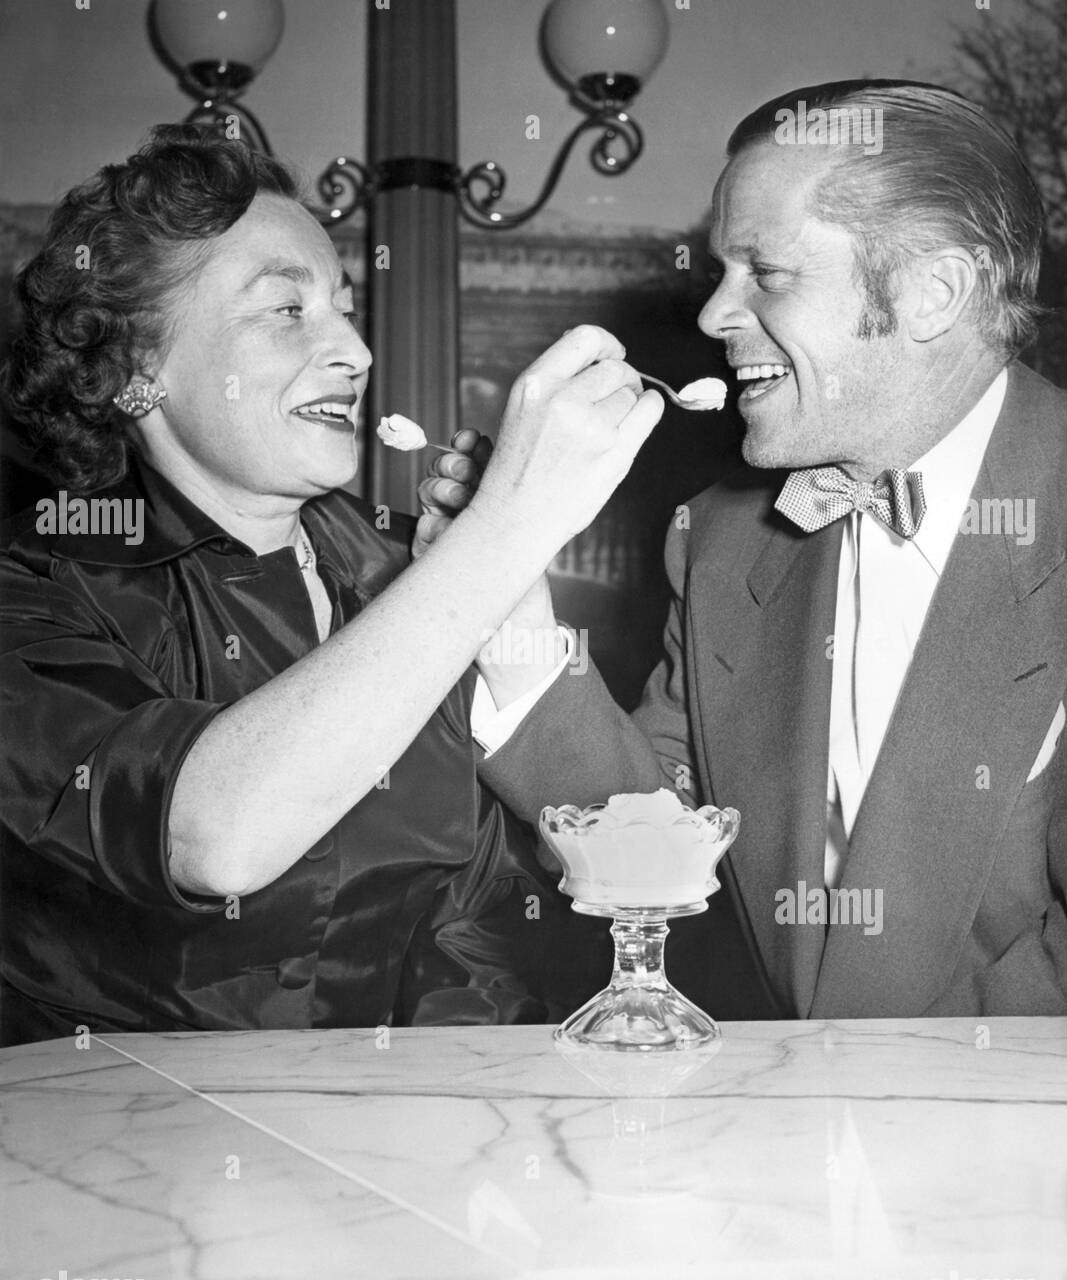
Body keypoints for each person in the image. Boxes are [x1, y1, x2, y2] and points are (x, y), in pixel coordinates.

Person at [0, 125, 662, 1044]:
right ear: (136, 370)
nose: (354, 348)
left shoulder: (422, 568)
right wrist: (508, 531)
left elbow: (628, 868)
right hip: (136, 1150)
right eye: (286, 310)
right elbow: (214, 838)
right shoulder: (33, 590)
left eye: (345, 308)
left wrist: (516, 629)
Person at [424, 80, 1067, 1020]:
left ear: (934, 291)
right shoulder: (723, 539)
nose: (711, 316)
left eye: (765, 273)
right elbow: (660, 841)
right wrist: (509, 614)